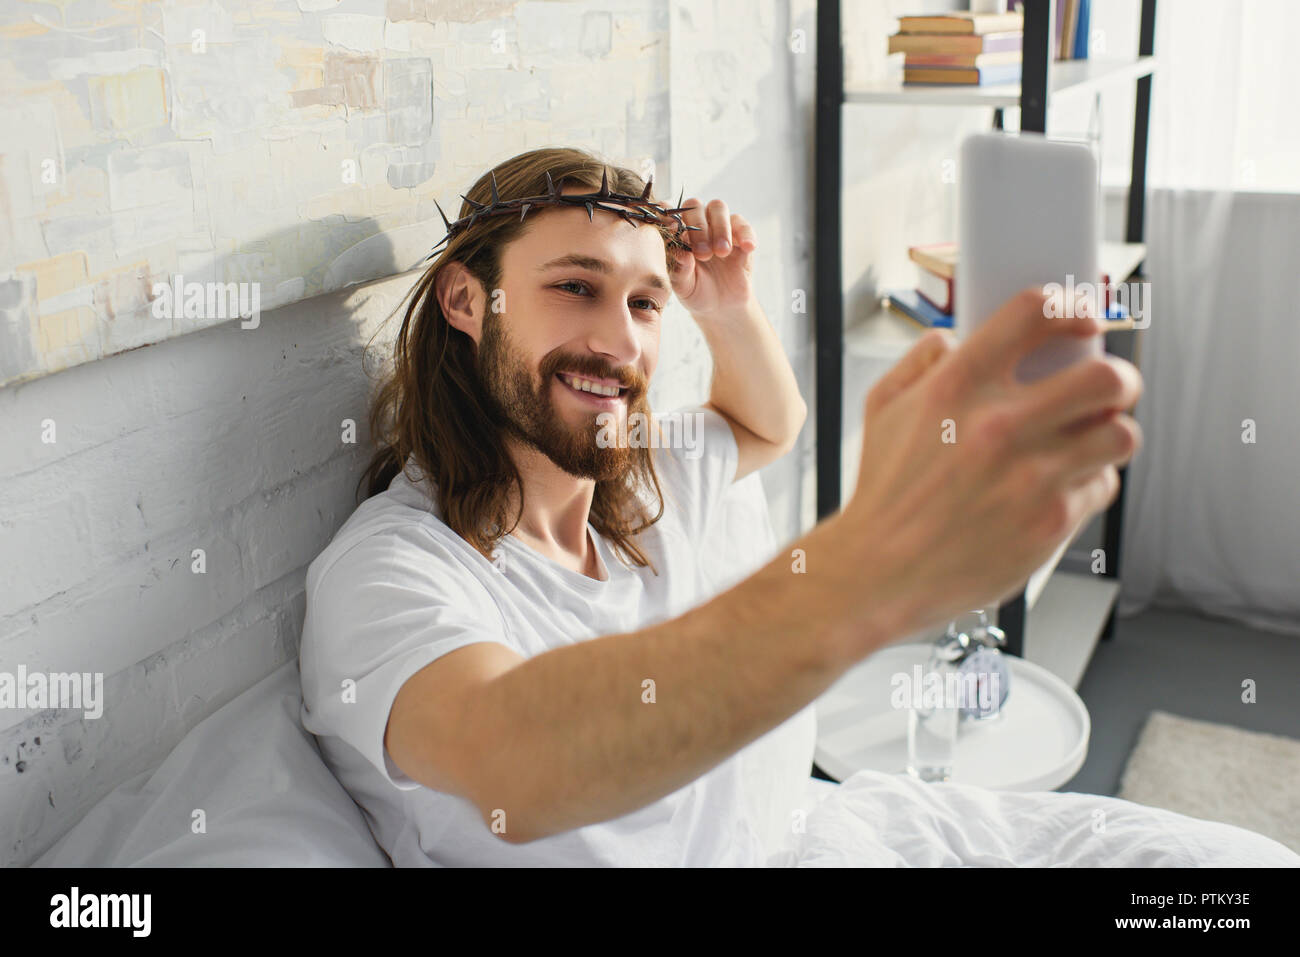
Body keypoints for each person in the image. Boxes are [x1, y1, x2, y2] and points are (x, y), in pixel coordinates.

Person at [298, 146, 1299, 867]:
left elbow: (767, 423)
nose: (620, 342)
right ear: (468, 304)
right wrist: (872, 566)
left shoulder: (638, 480)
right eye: (574, 287)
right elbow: (514, 764)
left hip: (822, 835)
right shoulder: (392, 569)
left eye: (645, 304)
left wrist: (724, 307)